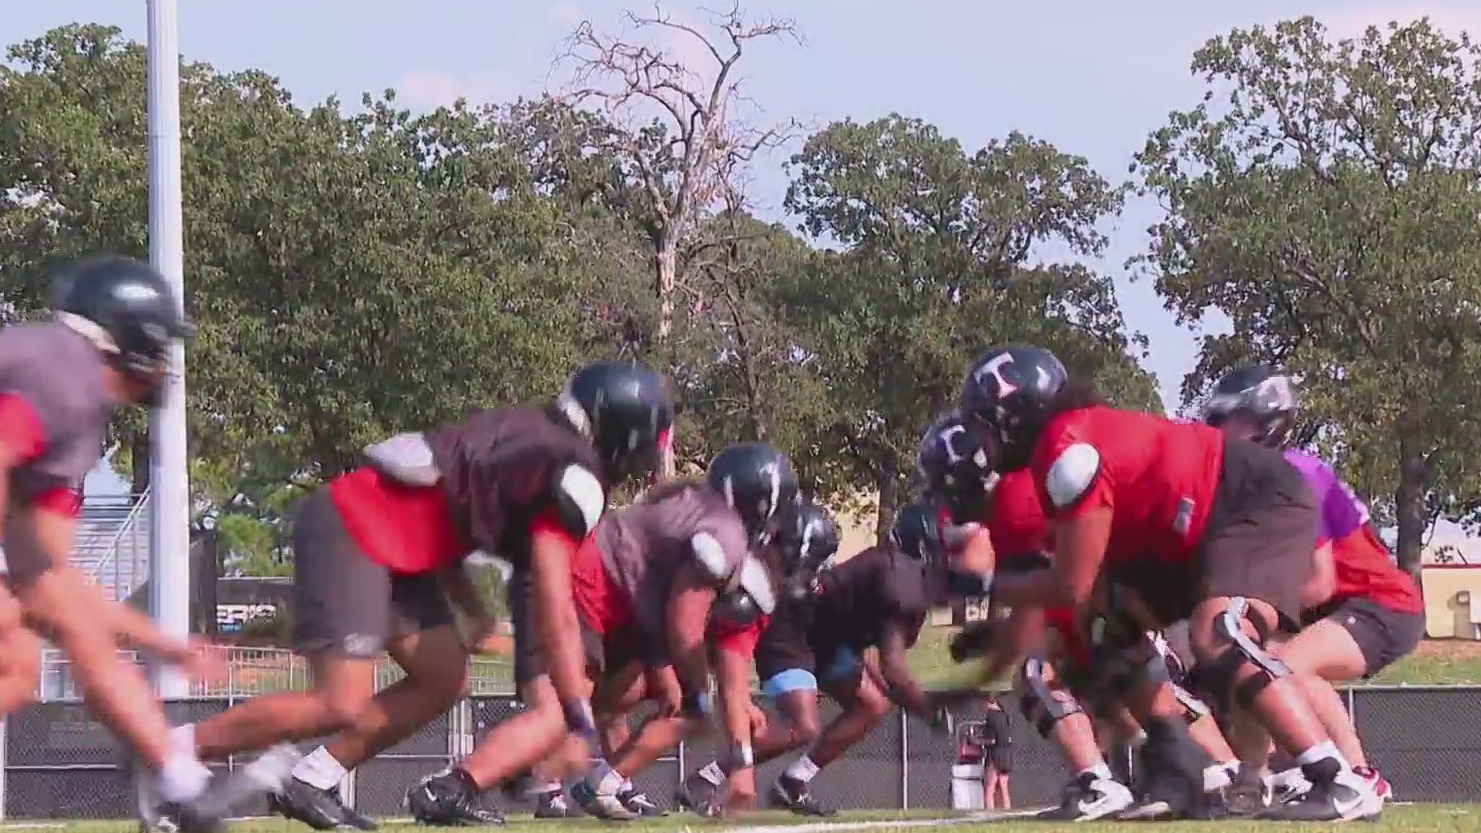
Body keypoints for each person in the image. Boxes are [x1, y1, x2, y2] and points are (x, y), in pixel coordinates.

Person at [178, 361, 673, 824]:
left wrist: (471, 604)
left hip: (396, 542)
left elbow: (449, 508)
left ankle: (311, 779)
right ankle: (169, 753)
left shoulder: (530, 435)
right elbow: (554, 604)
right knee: (338, 702)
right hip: (358, 528)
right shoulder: (573, 474)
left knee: (444, 675)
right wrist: (579, 715)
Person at [956, 343, 1381, 821]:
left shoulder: (1067, 451)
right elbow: (1088, 587)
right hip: (1192, 527)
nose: (983, 442)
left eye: (985, 426)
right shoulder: (1060, 452)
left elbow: (1069, 582)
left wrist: (981, 585)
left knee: (1221, 633)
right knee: (1106, 631)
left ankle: (1336, 779)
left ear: (1012, 419)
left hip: (1247, 500)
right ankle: (1189, 767)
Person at [407, 441, 795, 824]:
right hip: (591, 585)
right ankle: (452, 787)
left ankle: (544, 765)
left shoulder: (689, 500)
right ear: (762, 504)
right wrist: (700, 690)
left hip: (606, 593)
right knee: (568, 712)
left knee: (623, 696)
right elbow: (683, 623)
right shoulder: (725, 534)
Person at [0, 257, 224, 832]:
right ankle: (181, 780)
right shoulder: (67, 383)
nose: (167, 366)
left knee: (18, 662)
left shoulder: (70, 402)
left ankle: (180, 778)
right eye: (162, 347)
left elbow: (55, 584)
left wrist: (164, 644)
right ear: (132, 339)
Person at [1203, 365, 1421, 803]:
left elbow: (1320, 584)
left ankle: (1356, 775)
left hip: (1382, 604)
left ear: (1269, 422)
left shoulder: (1295, 475)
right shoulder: (1252, 480)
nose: (1221, 431)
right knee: (1249, 660)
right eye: (1217, 420)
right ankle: (1254, 780)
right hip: (1337, 606)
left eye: (1234, 419)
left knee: (1284, 665)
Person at [680, 500, 953, 818]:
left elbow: (882, 663)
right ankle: (706, 777)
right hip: (794, 631)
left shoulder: (898, 578)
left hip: (829, 640)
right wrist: (925, 708)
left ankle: (793, 782)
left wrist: (905, 697)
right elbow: (893, 667)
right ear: (925, 547)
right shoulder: (896, 577)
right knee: (803, 726)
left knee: (873, 705)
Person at [980, 695, 1013, 809]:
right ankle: (1007, 811)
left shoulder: (991, 717)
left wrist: (977, 741)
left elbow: (991, 740)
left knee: (989, 787)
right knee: (1004, 787)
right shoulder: (1005, 716)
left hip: (995, 755)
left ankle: (989, 814)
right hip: (1007, 754)